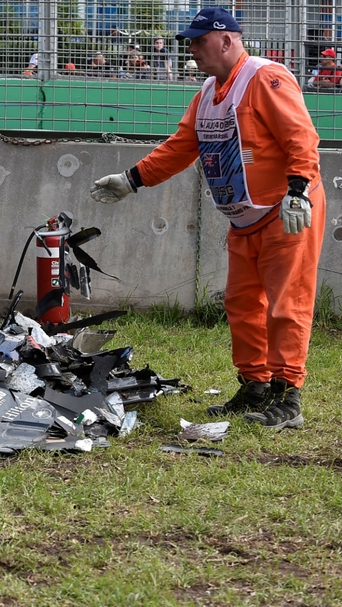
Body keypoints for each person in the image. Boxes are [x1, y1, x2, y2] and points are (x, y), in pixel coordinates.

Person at [90, 7, 324, 430]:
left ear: (227, 40)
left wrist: (298, 189)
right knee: (242, 303)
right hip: (246, 219)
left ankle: (288, 395)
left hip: (284, 211)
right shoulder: (208, 93)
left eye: (199, 41)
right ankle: (254, 384)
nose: (193, 49)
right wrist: (132, 179)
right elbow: (182, 146)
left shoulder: (266, 78)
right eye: (191, 42)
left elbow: (300, 135)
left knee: (286, 304)